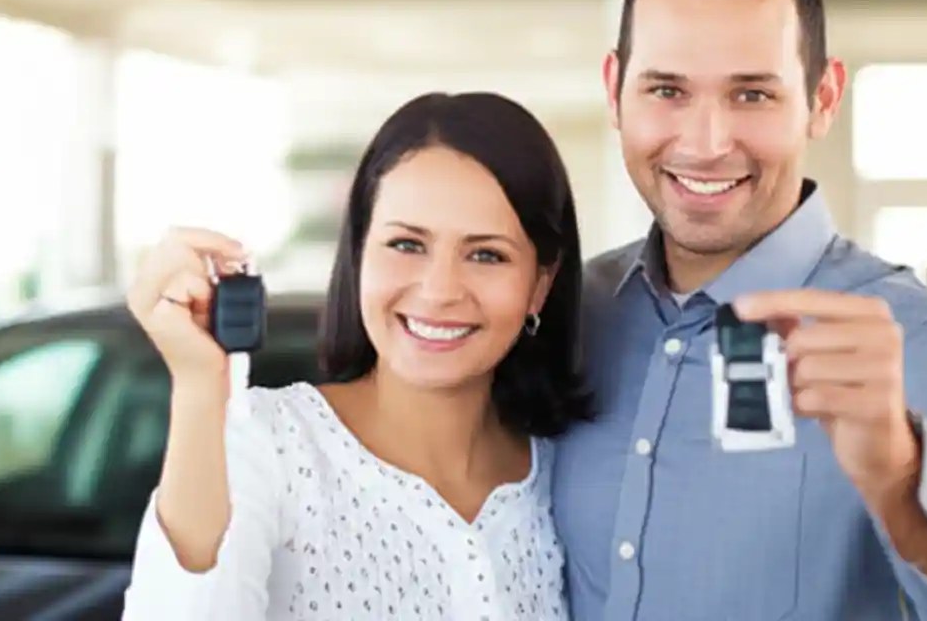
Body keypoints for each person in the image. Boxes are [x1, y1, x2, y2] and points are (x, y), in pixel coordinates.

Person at [553, 0, 927, 621]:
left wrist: (902, 471)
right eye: (667, 90)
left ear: (822, 99)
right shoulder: (568, 319)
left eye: (752, 95)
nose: (706, 143)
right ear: (616, 88)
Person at [122, 91, 591, 619]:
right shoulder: (268, 446)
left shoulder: (567, 475)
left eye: (487, 254)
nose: (439, 290)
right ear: (359, 254)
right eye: (407, 245)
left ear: (539, 286)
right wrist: (198, 385)